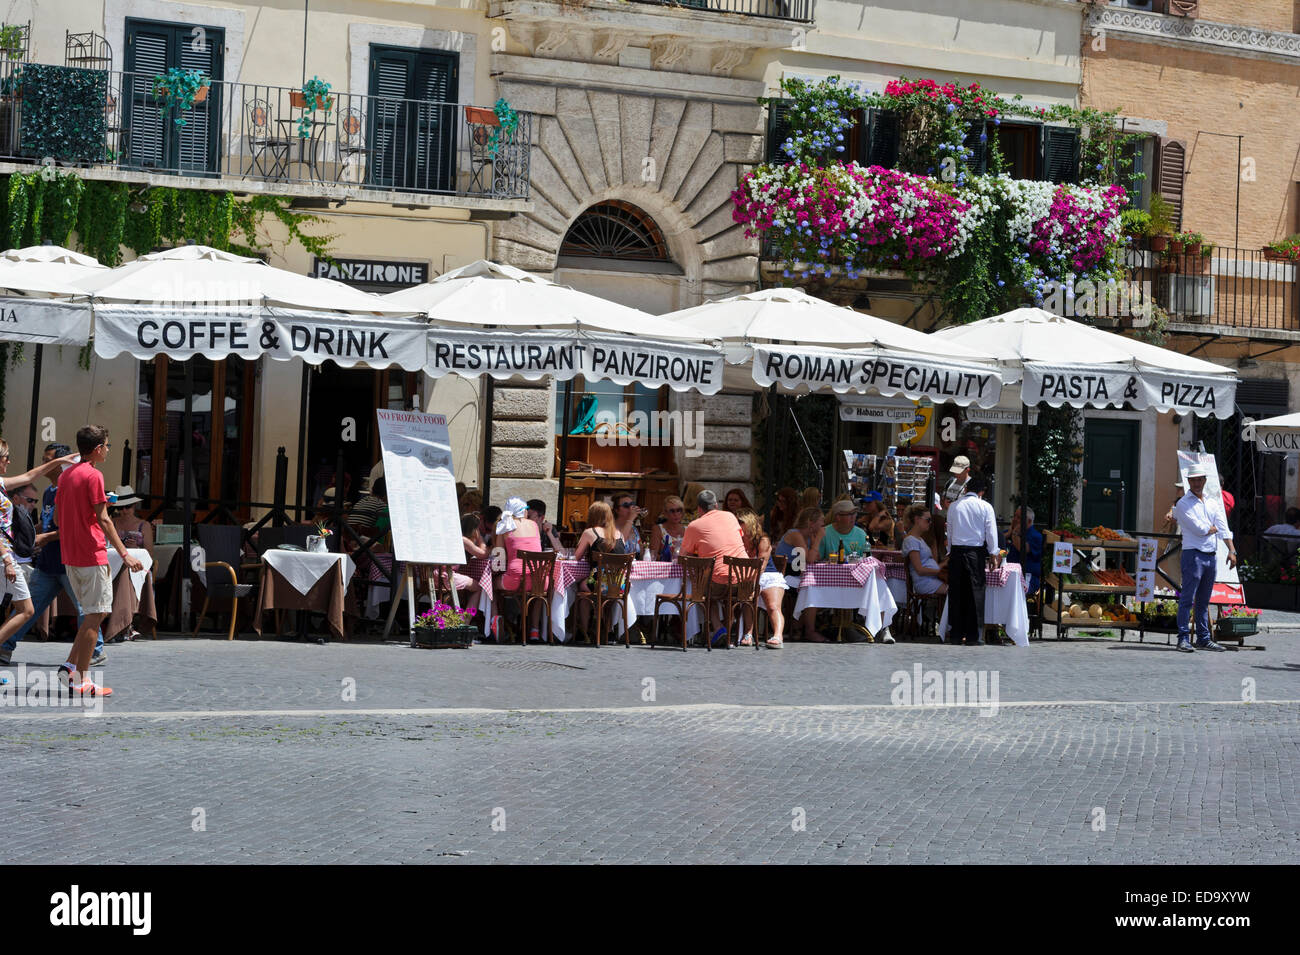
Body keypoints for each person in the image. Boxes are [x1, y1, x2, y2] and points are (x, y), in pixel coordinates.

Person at [54, 426, 143, 697]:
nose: (108, 449)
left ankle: (70, 666)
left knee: (92, 613)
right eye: (106, 445)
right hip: (91, 554)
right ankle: (82, 680)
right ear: (97, 449)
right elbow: (104, 519)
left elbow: (59, 519)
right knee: (95, 617)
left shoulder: (66, 476)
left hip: (71, 556)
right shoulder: (94, 475)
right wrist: (125, 554)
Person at [0, 442, 91, 667]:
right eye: (6, 458)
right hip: (8, 558)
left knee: (28, 609)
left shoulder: (2, 483)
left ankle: (92, 650)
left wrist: (60, 461)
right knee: (27, 609)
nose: (9, 462)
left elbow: (31, 474)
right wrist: (7, 559)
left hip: (22, 558)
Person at [1171, 463, 1235, 653]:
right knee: (1187, 599)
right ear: (1188, 481)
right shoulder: (1183, 503)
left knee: (1203, 601)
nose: (1197, 483)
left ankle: (1203, 638)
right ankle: (1183, 638)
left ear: (1205, 480)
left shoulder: (1212, 502)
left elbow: (1223, 527)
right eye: (1193, 480)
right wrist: (1213, 528)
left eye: (1200, 479)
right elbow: (1200, 530)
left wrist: (1232, 550)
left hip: (1210, 555)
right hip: (1193, 554)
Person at [681, 489, 750, 647]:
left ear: (699, 509)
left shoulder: (694, 526)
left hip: (719, 583)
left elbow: (683, 556)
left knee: (703, 589)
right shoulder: (731, 516)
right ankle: (724, 630)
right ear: (716, 505)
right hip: (744, 580)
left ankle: (719, 628)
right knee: (723, 591)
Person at [947, 474, 1000, 646]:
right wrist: (993, 553)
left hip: (956, 551)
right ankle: (972, 635)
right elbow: (990, 532)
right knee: (975, 593)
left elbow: (950, 531)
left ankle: (955, 633)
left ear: (967, 489)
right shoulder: (985, 507)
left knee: (956, 593)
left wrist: (950, 551)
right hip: (974, 553)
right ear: (982, 492)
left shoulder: (954, 506)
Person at [572, 501, 626, 639]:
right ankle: (608, 630)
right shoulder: (619, 534)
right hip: (619, 584)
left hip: (599, 583)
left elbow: (577, 557)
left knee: (581, 590)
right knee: (607, 595)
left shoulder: (590, 532)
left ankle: (584, 631)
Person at [776, 506, 829, 643]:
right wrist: (818, 540)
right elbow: (810, 559)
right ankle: (808, 630)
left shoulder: (808, 537)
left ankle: (799, 625)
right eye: (821, 521)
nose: (823, 525)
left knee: (823, 588)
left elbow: (815, 557)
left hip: (798, 575)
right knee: (811, 587)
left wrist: (814, 541)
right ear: (811, 523)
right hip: (785, 576)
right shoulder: (795, 535)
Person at [495, 497, 545, 641]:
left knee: (490, 585)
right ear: (523, 511)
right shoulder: (534, 525)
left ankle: (497, 621)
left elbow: (498, 558)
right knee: (539, 592)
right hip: (538, 580)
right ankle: (534, 629)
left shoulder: (505, 525)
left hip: (515, 580)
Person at [736, 509, 785, 649]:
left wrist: (752, 586)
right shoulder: (737, 540)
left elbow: (761, 567)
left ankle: (778, 635)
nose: (738, 527)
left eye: (741, 524)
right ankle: (748, 634)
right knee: (747, 601)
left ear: (749, 524)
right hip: (747, 576)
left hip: (768, 576)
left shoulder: (762, 541)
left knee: (773, 606)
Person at [902, 505, 948, 597]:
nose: (930, 523)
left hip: (931, 579)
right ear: (917, 519)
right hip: (925, 583)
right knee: (958, 591)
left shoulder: (919, 539)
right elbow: (919, 570)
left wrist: (944, 564)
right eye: (928, 520)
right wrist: (940, 572)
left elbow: (927, 564)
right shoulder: (911, 540)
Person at [1007, 505, 1044, 595]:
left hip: (1027, 576)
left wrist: (1014, 534)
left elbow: (1022, 549)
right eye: (1014, 516)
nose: (1015, 519)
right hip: (1008, 574)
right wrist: (1009, 533)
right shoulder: (1012, 532)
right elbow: (999, 544)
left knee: (1013, 591)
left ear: (1029, 521)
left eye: (1019, 517)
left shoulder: (1036, 536)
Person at [650, 496, 687, 561]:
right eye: (672, 511)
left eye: (679, 510)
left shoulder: (688, 530)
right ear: (665, 513)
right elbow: (653, 554)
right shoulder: (658, 529)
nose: (676, 514)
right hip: (664, 568)